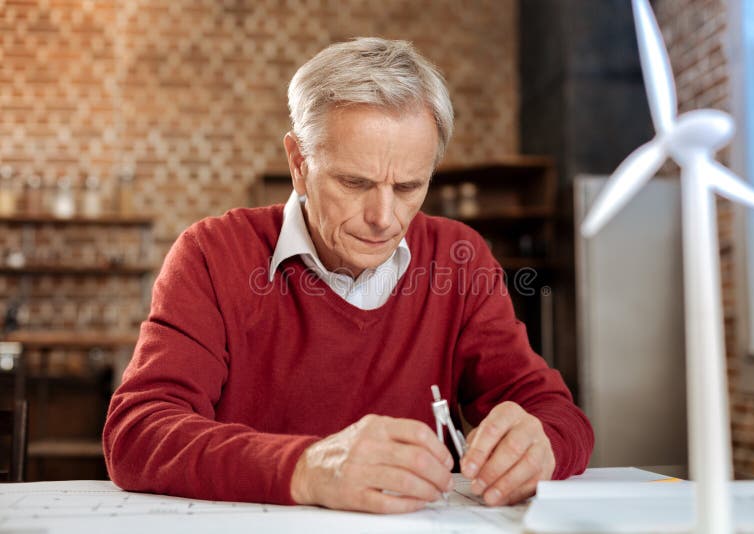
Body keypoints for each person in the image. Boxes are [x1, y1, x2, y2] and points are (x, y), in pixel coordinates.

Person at [103, 37, 594, 514]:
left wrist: (542, 444)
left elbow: (556, 413)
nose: (384, 217)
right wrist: (308, 469)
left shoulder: (459, 258)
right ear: (299, 164)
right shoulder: (213, 253)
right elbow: (138, 432)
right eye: (355, 182)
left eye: (408, 186)